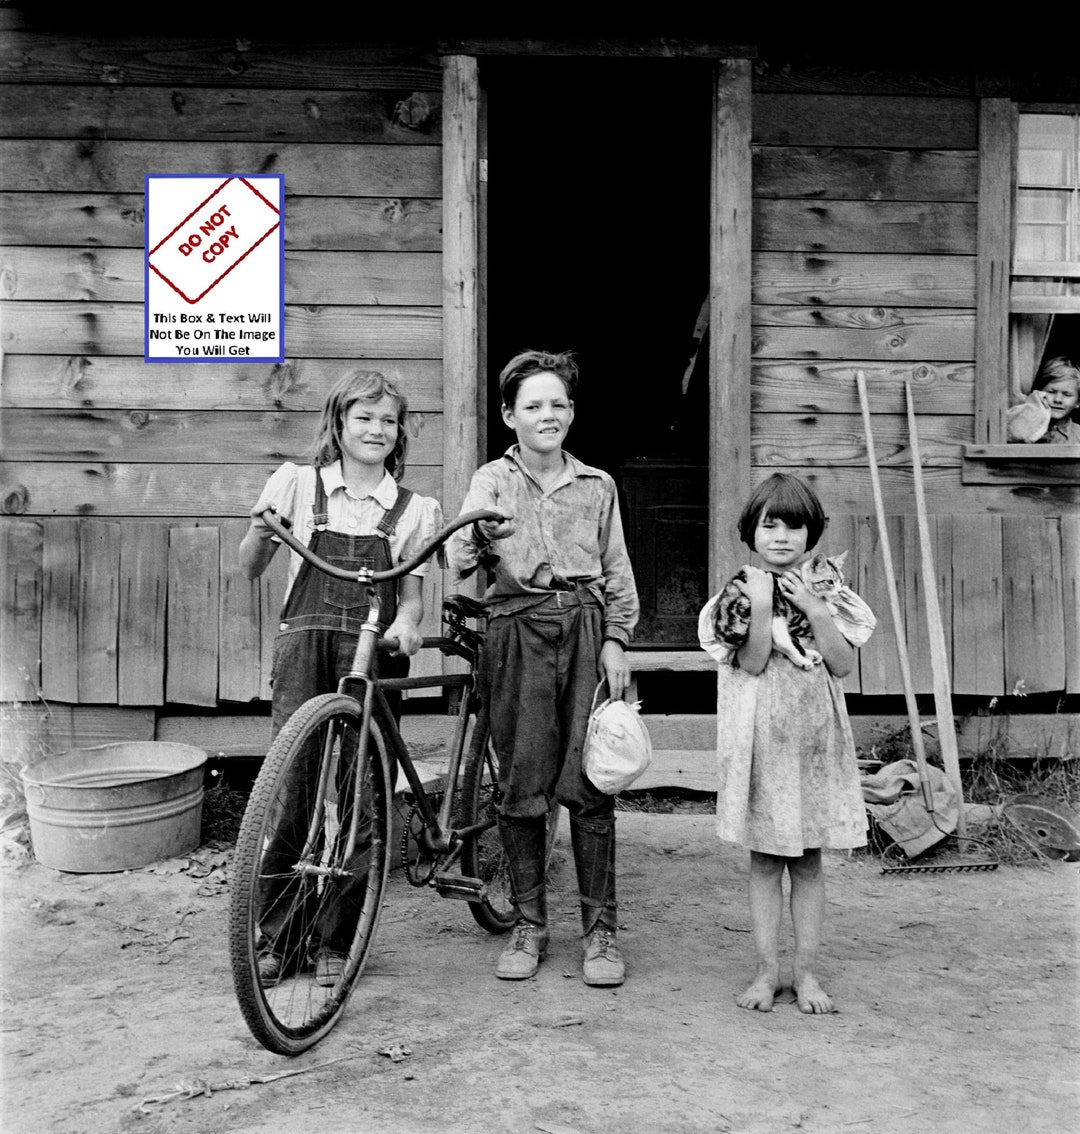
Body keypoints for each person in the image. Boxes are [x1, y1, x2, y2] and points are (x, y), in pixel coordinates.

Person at [239, 370, 442, 986]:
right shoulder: (298, 486)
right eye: (364, 418)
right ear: (338, 423)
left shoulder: (414, 508)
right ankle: (280, 937)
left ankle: (337, 941)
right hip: (304, 647)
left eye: (388, 420)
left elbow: (411, 598)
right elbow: (250, 566)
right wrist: (257, 527)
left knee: (363, 795)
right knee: (293, 789)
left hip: (371, 655)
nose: (377, 430)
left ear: (399, 431)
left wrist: (407, 625)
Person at [450, 349, 639, 987]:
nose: (547, 414)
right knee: (524, 785)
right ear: (510, 415)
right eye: (533, 405)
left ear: (573, 412)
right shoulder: (490, 481)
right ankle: (529, 924)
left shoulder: (598, 485)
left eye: (558, 403)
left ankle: (601, 932)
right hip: (516, 633)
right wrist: (479, 535)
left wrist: (616, 639)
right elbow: (457, 557)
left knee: (590, 782)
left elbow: (617, 571)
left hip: (585, 630)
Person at [697, 473, 875, 1015]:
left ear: (811, 533)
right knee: (764, 861)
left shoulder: (828, 592)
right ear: (750, 533)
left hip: (813, 742)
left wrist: (816, 609)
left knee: (810, 862)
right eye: (768, 525)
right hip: (761, 741)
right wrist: (759, 605)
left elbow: (842, 664)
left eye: (793, 526)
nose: (781, 537)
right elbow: (752, 661)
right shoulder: (736, 591)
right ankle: (766, 969)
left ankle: (806, 972)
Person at [1006, 355, 1080, 443]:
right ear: (1038, 392)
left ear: (1078, 402)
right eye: (1051, 392)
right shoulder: (1019, 428)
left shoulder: (1078, 435)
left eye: (1067, 394)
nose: (1058, 400)